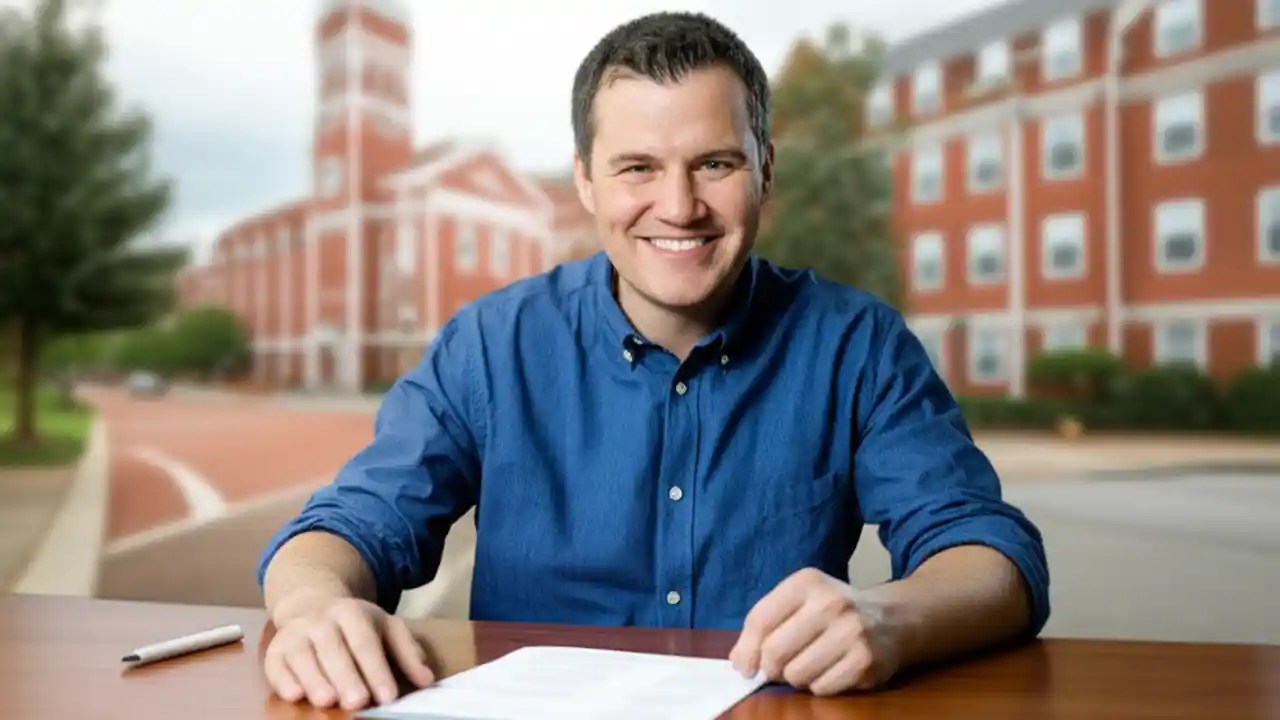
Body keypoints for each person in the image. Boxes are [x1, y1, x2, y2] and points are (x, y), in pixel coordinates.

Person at [256, 10, 1049, 711]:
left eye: (715, 164)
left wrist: (891, 618)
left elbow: (990, 556)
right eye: (638, 167)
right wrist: (314, 607)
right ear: (586, 182)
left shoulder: (857, 343)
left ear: (764, 170)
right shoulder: (490, 346)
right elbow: (350, 526)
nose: (679, 207)